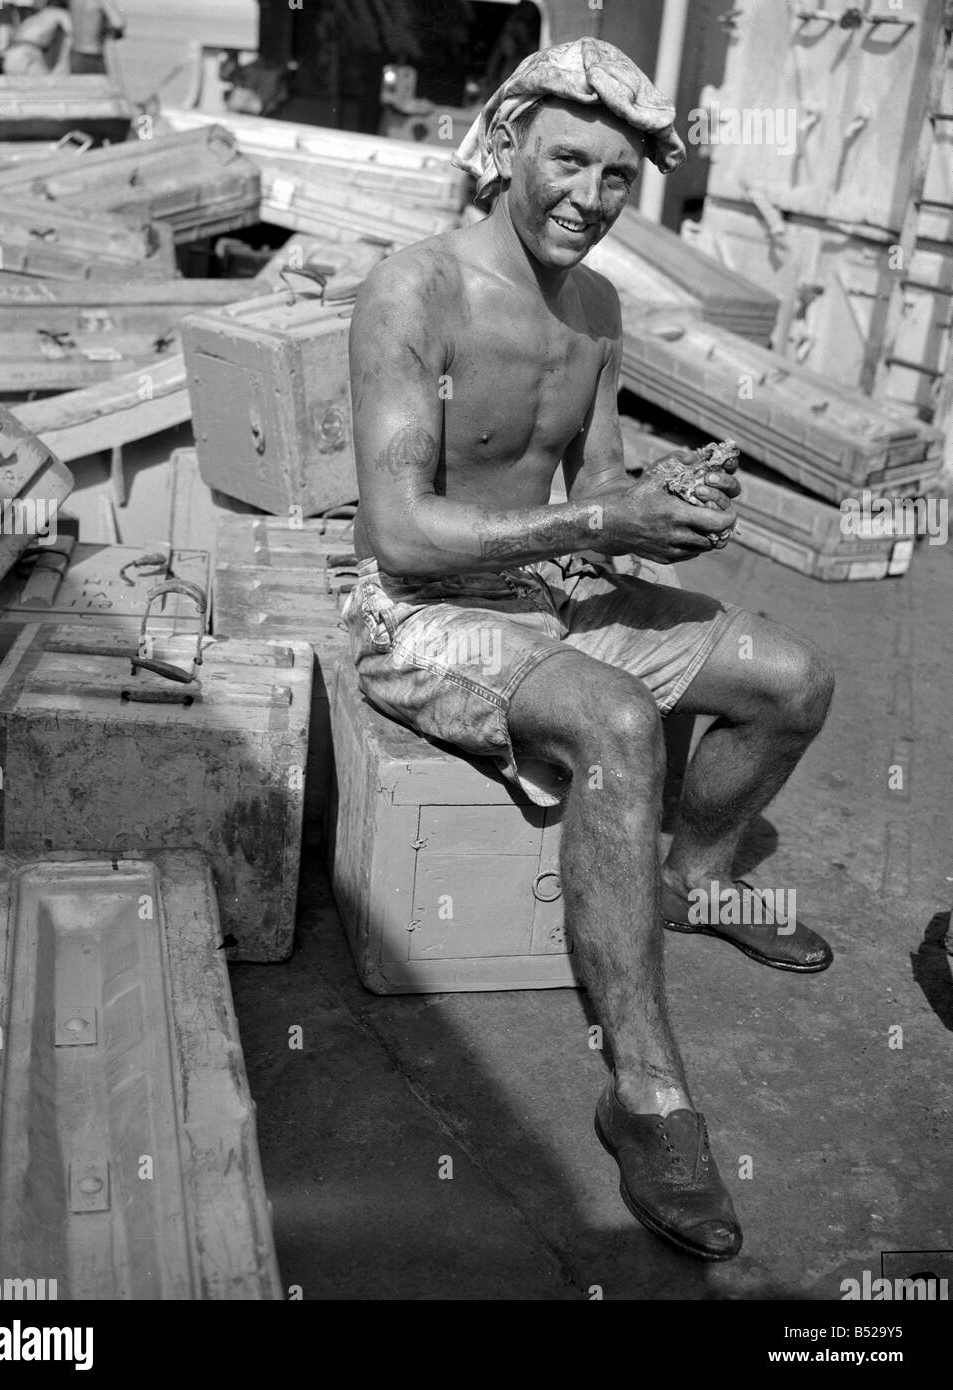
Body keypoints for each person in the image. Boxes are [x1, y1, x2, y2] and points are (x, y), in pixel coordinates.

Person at [344, 37, 836, 1263]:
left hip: (558, 587)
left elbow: (600, 481)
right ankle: (648, 1092)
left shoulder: (599, 307)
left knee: (794, 681)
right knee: (619, 721)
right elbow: (399, 526)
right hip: (423, 609)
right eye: (569, 160)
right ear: (505, 144)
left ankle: (697, 877)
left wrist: (658, 497)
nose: (591, 197)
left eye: (619, 178)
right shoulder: (417, 291)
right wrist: (598, 522)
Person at [2, 0, 71, 75]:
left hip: (11, 54)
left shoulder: (35, 17)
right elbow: (70, 32)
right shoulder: (58, 13)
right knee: (47, 83)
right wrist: (63, 62)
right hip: (27, 53)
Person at [66, 0, 124, 75]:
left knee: (80, 85)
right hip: (94, 55)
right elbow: (118, 23)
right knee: (98, 85)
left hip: (75, 54)